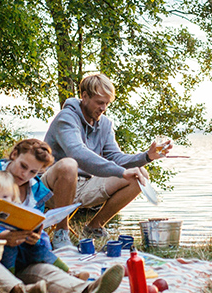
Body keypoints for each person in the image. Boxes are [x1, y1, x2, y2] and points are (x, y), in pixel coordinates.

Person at [0, 138, 123, 293]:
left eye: (33, 172)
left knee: (47, 271)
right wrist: (1, 236)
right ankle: (21, 291)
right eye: (23, 166)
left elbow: (37, 230)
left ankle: (87, 290)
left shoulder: (36, 190)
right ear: (14, 154)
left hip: (22, 260)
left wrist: (35, 238)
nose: (25, 175)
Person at [42, 73, 173, 249]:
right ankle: (61, 231)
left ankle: (94, 227)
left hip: (85, 185)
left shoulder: (104, 124)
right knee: (69, 164)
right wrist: (120, 171)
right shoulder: (66, 118)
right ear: (85, 96)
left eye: (107, 103)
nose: (103, 108)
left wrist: (147, 157)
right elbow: (78, 153)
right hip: (52, 188)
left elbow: (116, 157)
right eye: (99, 102)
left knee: (139, 174)